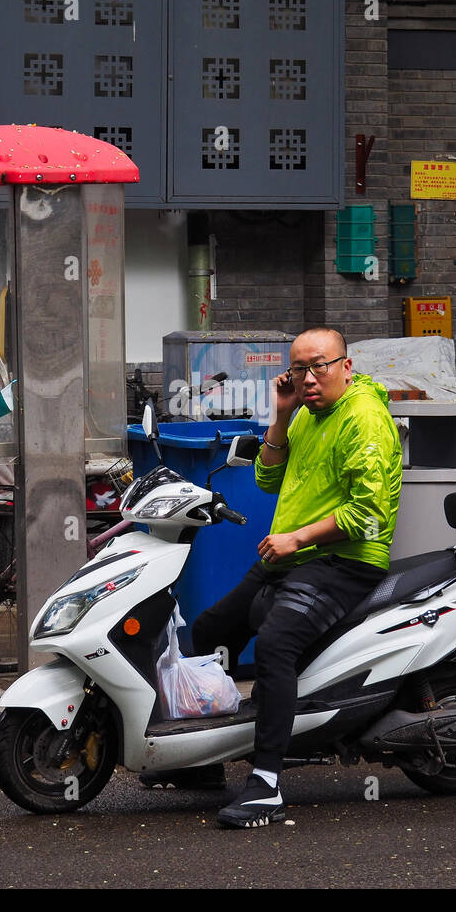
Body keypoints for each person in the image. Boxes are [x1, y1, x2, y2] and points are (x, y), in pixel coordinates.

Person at [188, 326, 402, 828]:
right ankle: (201, 763)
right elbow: (267, 478)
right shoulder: (304, 413)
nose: (307, 377)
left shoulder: (365, 419)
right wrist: (280, 416)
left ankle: (266, 785)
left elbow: (370, 513)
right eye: (298, 368)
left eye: (318, 366)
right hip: (289, 559)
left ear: (346, 366)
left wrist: (298, 538)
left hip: (344, 562)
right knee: (208, 630)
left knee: (275, 646)